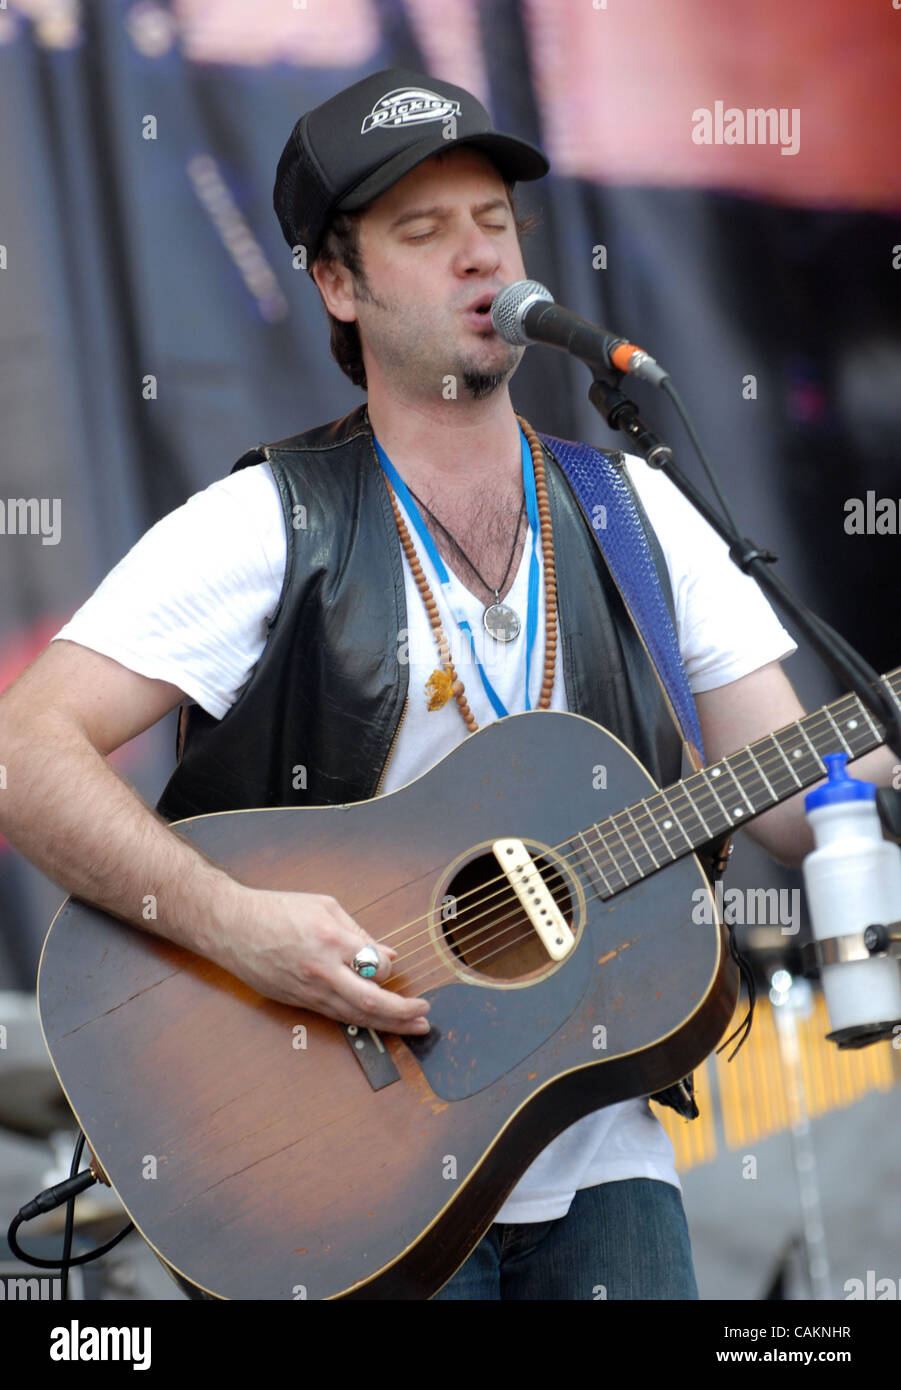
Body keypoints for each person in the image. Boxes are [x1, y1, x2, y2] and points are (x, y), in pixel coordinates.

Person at [0, 68, 894, 1300]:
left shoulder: (637, 515)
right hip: (330, 1182)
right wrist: (236, 926)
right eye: (423, 233)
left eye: (493, 222)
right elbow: (22, 755)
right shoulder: (266, 523)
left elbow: (802, 790)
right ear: (336, 281)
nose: (479, 258)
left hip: (600, 1164)